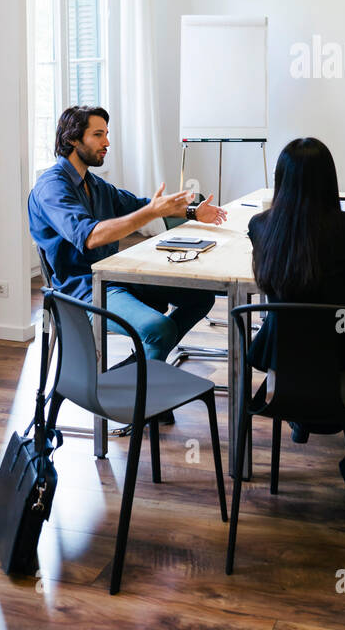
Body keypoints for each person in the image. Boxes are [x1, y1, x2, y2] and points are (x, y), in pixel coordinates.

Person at [29, 105, 227, 420]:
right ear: (72, 139)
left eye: (106, 134)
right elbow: (90, 236)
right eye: (98, 134)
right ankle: (142, 403)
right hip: (81, 290)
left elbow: (137, 205)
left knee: (200, 296)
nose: (106, 142)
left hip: (113, 277)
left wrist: (192, 212)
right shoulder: (52, 186)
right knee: (158, 329)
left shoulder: (93, 184)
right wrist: (150, 213)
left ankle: (142, 368)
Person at [249, 137, 345, 511]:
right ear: (329, 182)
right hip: (342, 367)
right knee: (343, 344)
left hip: (282, 371)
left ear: (280, 180)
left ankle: (302, 417)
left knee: (317, 344)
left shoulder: (259, 226)